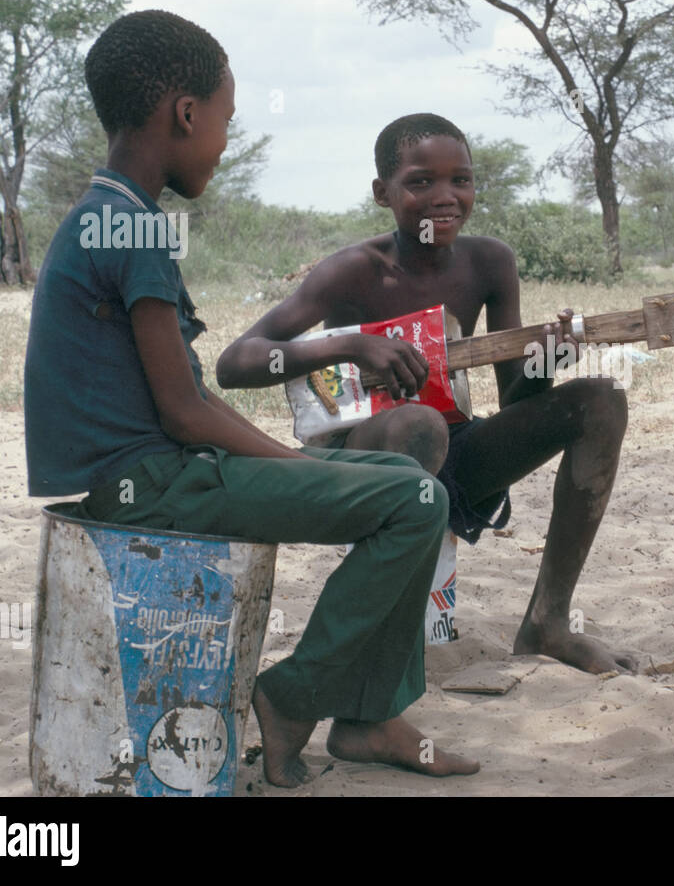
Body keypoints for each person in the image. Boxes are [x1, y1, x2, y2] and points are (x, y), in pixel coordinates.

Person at [22, 11, 477, 788]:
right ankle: (300, 698)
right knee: (414, 501)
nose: (227, 142)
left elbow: (183, 400)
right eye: (226, 122)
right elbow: (185, 410)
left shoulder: (106, 217)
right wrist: (292, 460)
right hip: (157, 484)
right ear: (186, 114)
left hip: (154, 474)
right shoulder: (133, 231)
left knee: (410, 491)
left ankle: (367, 721)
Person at [217, 113, 635, 675]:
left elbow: (515, 399)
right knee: (418, 424)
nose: (445, 198)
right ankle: (382, 639)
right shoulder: (353, 271)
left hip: (457, 449)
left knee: (602, 400)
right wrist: (350, 349)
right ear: (381, 192)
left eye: (460, 180)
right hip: (368, 460)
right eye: (420, 182)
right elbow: (235, 363)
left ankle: (548, 622)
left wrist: (546, 361)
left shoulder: (490, 263)